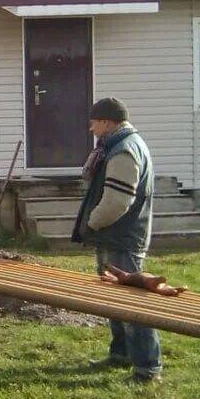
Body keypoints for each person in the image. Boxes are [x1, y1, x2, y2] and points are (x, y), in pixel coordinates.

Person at [72, 97, 162, 383]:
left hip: (122, 238)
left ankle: (148, 368)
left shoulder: (124, 151)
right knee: (115, 300)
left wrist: (92, 223)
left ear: (108, 122)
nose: (91, 128)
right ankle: (121, 353)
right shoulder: (118, 146)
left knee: (134, 307)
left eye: (94, 122)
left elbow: (117, 202)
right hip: (116, 237)